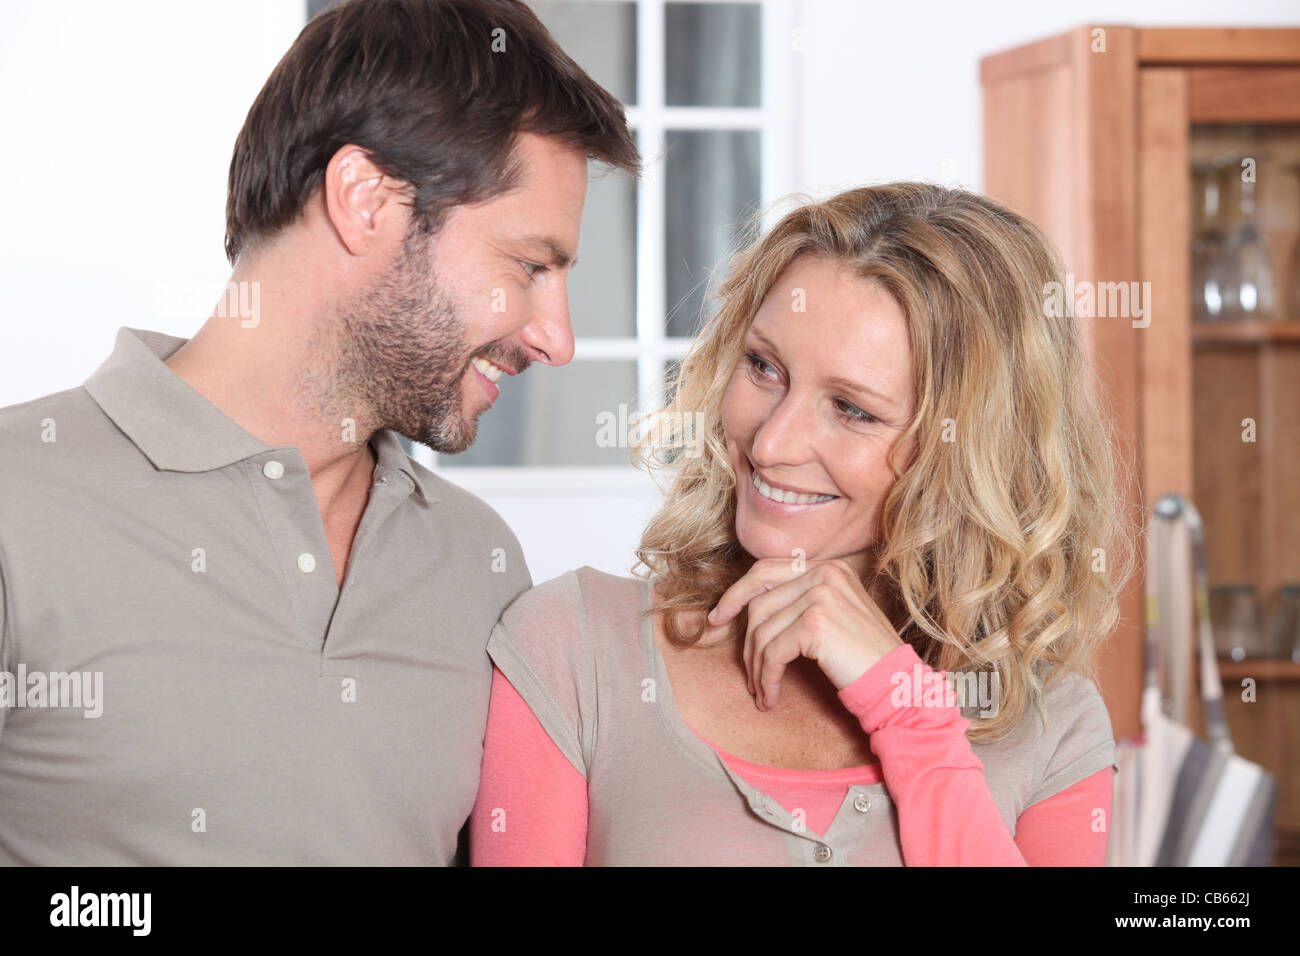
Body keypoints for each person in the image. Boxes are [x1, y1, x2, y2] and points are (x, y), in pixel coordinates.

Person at [0, 0, 637, 864]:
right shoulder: (18, 501)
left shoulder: (477, 559)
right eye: (529, 266)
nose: (556, 339)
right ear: (367, 200)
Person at [470, 183, 1138, 866]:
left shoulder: (1053, 727)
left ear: (971, 451)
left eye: (851, 408)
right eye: (764, 367)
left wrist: (905, 709)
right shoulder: (574, 647)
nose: (771, 444)